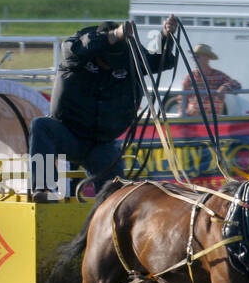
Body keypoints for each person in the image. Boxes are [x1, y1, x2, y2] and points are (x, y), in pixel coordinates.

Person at [29, 16, 179, 202]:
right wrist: (114, 35)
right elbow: (76, 48)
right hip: (68, 133)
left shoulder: (130, 60)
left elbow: (163, 62)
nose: (110, 64)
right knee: (41, 126)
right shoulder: (75, 55)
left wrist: (166, 36)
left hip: (102, 144)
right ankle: (43, 188)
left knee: (115, 199)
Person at [180, 43, 239, 117]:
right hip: (193, 119)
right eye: (193, 57)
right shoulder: (189, 77)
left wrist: (225, 87)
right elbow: (182, 98)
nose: (194, 59)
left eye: (197, 56)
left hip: (212, 119)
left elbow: (237, 85)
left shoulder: (218, 76)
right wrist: (182, 114)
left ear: (206, 57)